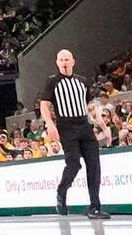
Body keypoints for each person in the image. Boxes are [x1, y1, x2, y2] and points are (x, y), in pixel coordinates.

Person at [39, 49, 112, 219]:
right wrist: (50, 123)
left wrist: (104, 127)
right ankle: (61, 190)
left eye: (67, 59)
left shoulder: (82, 81)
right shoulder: (52, 82)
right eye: (61, 59)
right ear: (57, 62)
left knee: (94, 165)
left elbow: (91, 106)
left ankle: (95, 206)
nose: (64, 62)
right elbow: (44, 105)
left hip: (84, 125)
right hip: (66, 126)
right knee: (73, 164)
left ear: (73, 61)